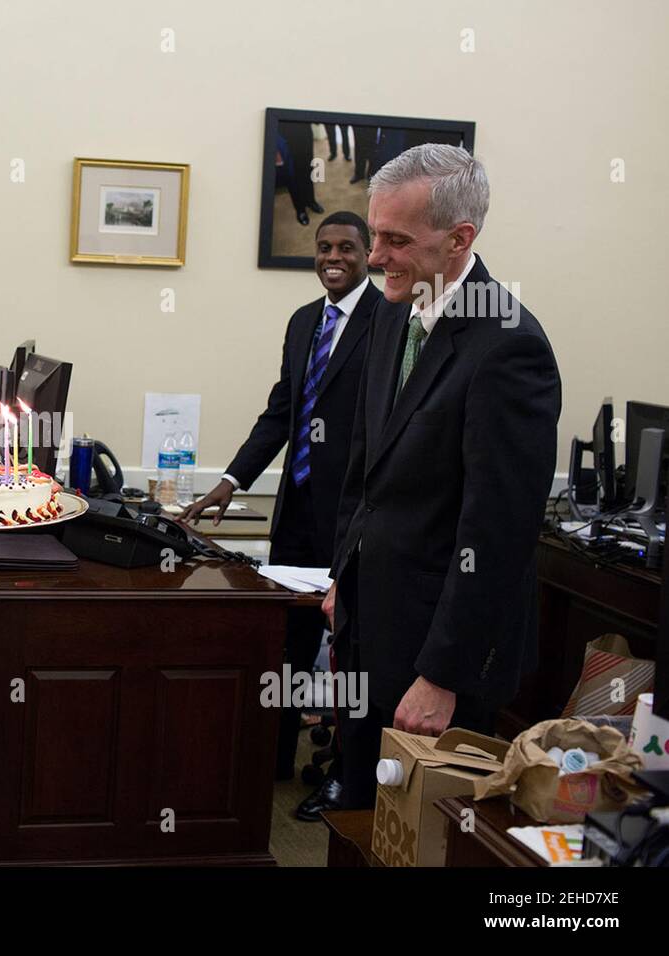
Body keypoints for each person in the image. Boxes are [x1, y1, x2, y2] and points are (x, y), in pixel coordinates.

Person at [323, 144, 561, 810]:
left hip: (441, 650)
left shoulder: (510, 345)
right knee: (360, 812)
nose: (374, 257)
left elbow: (500, 531)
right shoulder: (393, 311)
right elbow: (363, 470)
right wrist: (347, 576)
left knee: (424, 833)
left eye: (397, 240)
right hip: (371, 619)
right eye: (376, 235)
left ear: (461, 238)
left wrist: (442, 674)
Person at [182, 211, 381, 820]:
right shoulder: (303, 323)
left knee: (351, 649)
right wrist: (230, 480)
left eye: (347, 247)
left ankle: (349, 780)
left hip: (353, 519)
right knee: (288, 640)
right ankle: (272, 757)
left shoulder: (390, 322)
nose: (333, 257)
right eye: (324, 247)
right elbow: (280, 415)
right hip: (295, 512)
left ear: (368, 253)